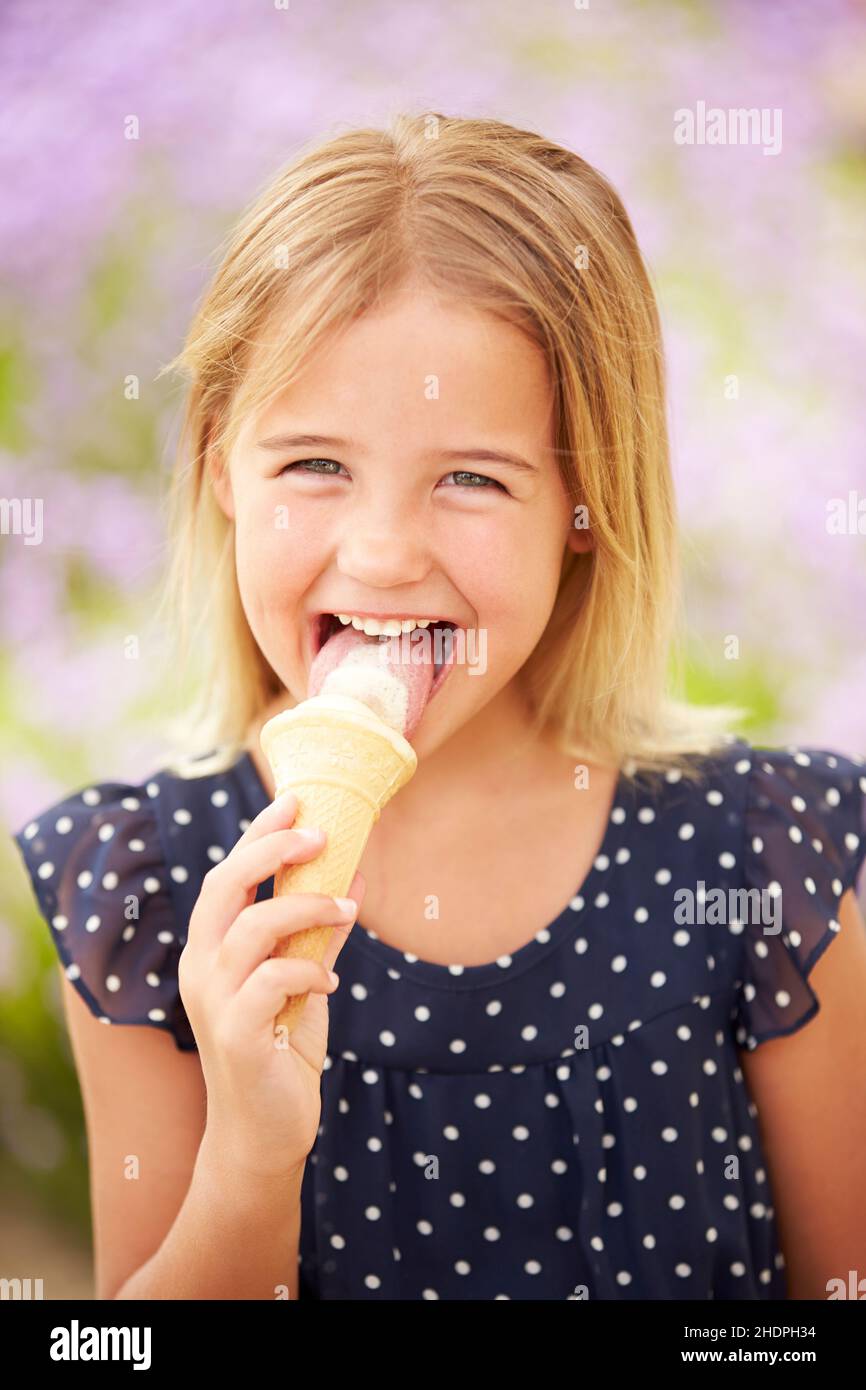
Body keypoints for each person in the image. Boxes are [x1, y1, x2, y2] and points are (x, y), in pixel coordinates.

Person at [12, 112, 866, 1301]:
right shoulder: (149, 890)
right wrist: (251, 1163)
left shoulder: (765, 862)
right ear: (220, 470)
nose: (379, 552)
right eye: (313, 462)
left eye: (470, 477)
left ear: (585, 507)